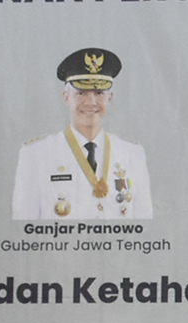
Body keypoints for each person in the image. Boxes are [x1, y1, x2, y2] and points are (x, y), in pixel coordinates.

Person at [13, 47, 153, 220]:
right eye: (81, 93)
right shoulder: (35, 153)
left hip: (118, 246)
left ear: (110, 98)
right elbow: (24, 228)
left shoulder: (132, 153)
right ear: (66, 97)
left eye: (99, 93)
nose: (90, 102)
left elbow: (144, 226)